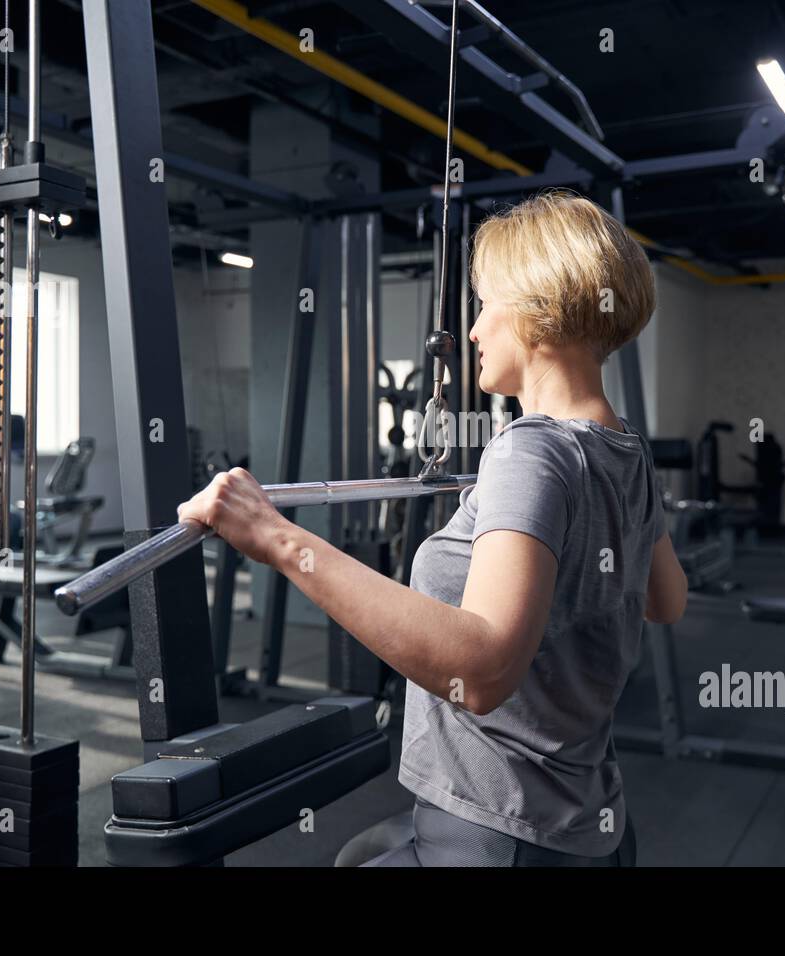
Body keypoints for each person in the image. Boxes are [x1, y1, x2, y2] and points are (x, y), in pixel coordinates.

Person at [178, 191, 688, 866]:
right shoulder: (624, 447)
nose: (474, 330)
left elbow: (480, 672)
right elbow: (665, 599)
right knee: (355, 853)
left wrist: (278, 540)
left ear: (537, 309)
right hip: (590, 823)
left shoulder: (530, 450)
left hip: (501, 830)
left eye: (485, 304)